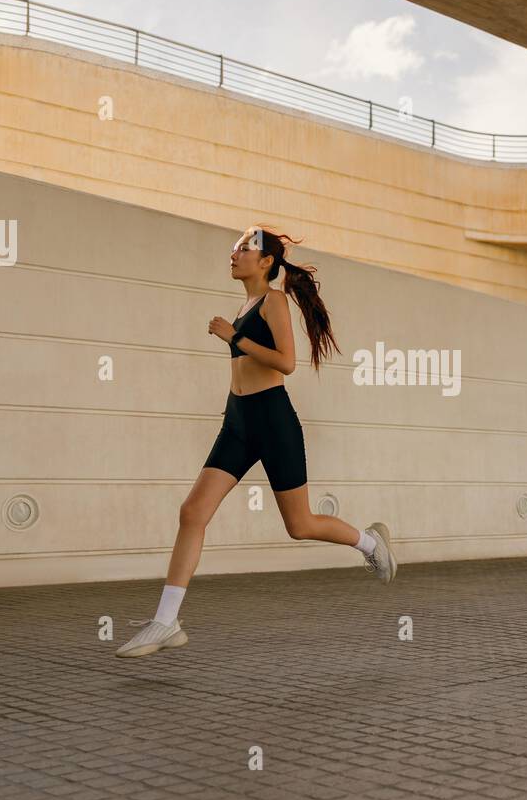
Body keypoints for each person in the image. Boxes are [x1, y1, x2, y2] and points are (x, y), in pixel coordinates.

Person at [117, 225, 397, 658]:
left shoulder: (273, 301)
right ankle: (166, 621)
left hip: (273, 420)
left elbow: (287, 363)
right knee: (192, 511)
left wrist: (234, 337)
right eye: (235, 246)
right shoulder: (246, 303)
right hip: (237, 421)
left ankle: (370, 543)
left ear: (266, 262)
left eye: (245, 247)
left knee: (300, 525)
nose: (234, 252)